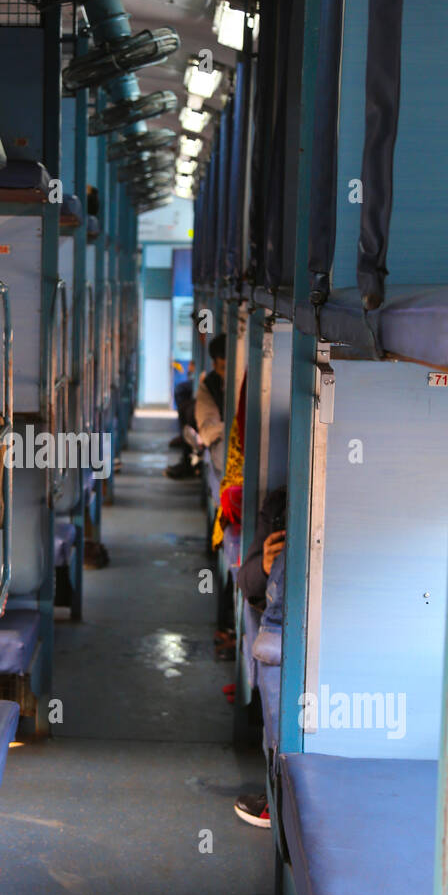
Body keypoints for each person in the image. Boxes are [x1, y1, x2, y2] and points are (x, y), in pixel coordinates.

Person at [233, 485, 287, 829]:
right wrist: (266, 566)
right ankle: (280, 791)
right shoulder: (281, 505)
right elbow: (247, 580)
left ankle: (282, 794)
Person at [165, 334, 226, 479]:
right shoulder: (211, 384)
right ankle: (190, 459)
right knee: (187, 407)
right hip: (220, 439)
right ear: (215, 366)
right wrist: (232, 428)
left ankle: (191, 456)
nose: (228, 373)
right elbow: (208, 431)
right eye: (223, 367)